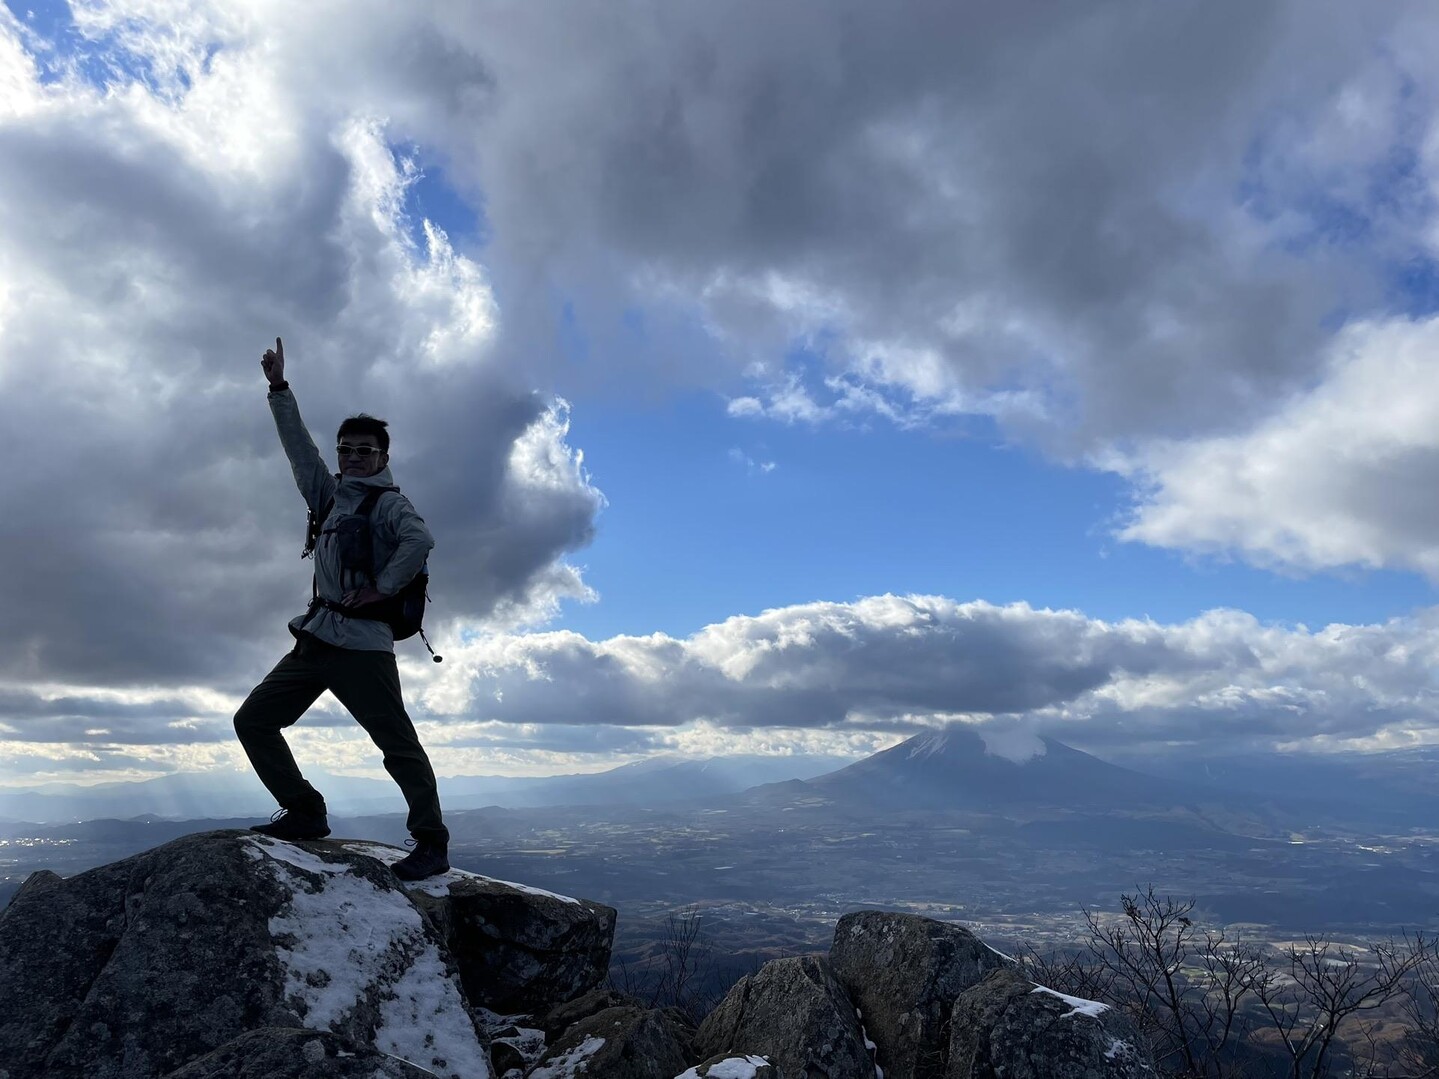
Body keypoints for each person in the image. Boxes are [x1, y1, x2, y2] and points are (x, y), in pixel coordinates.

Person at [234, 336, 450, 881]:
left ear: (383, 456)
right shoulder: (327, 495)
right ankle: (305, 811)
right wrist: (279, 388)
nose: (352, 457)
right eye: (345, 449)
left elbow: (419, 541)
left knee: (397, 743)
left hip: (362, 647)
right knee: (254, 720)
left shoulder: (390, 504)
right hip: (317, 637)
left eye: (364, 450)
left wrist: (382, 588)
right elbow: (297, 447)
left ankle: (431, 841)